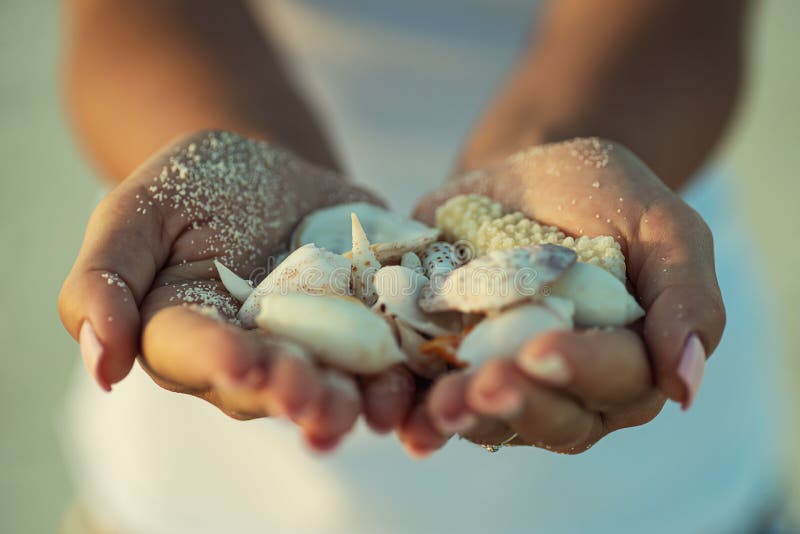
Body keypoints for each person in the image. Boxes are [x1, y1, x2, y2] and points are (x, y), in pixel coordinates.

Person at [57, 0, 788, 532]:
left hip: (655, 499)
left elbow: (687, 19)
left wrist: (565, 141)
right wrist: (224, 146)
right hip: (194, 495)